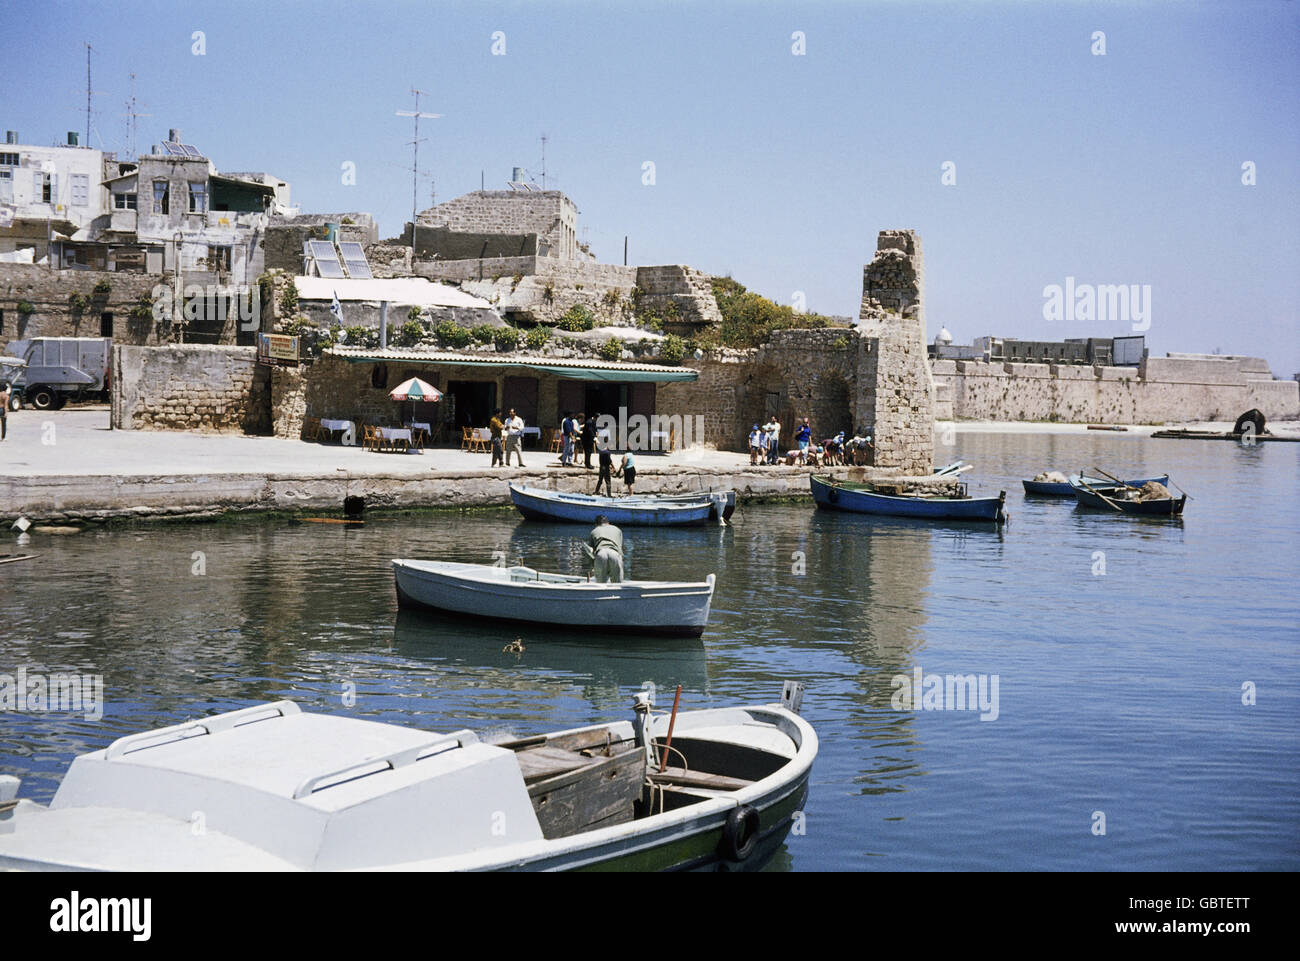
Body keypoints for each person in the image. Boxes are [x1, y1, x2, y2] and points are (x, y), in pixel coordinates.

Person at [584, 514, 624, 584]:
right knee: (618, 585)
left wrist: (592, 566)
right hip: (614, 553)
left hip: (600, 553)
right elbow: (620, 548)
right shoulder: (617, 529)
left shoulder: (594, 531)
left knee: (600, 586)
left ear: (596, 524)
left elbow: (591, 552)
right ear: (608, 523)